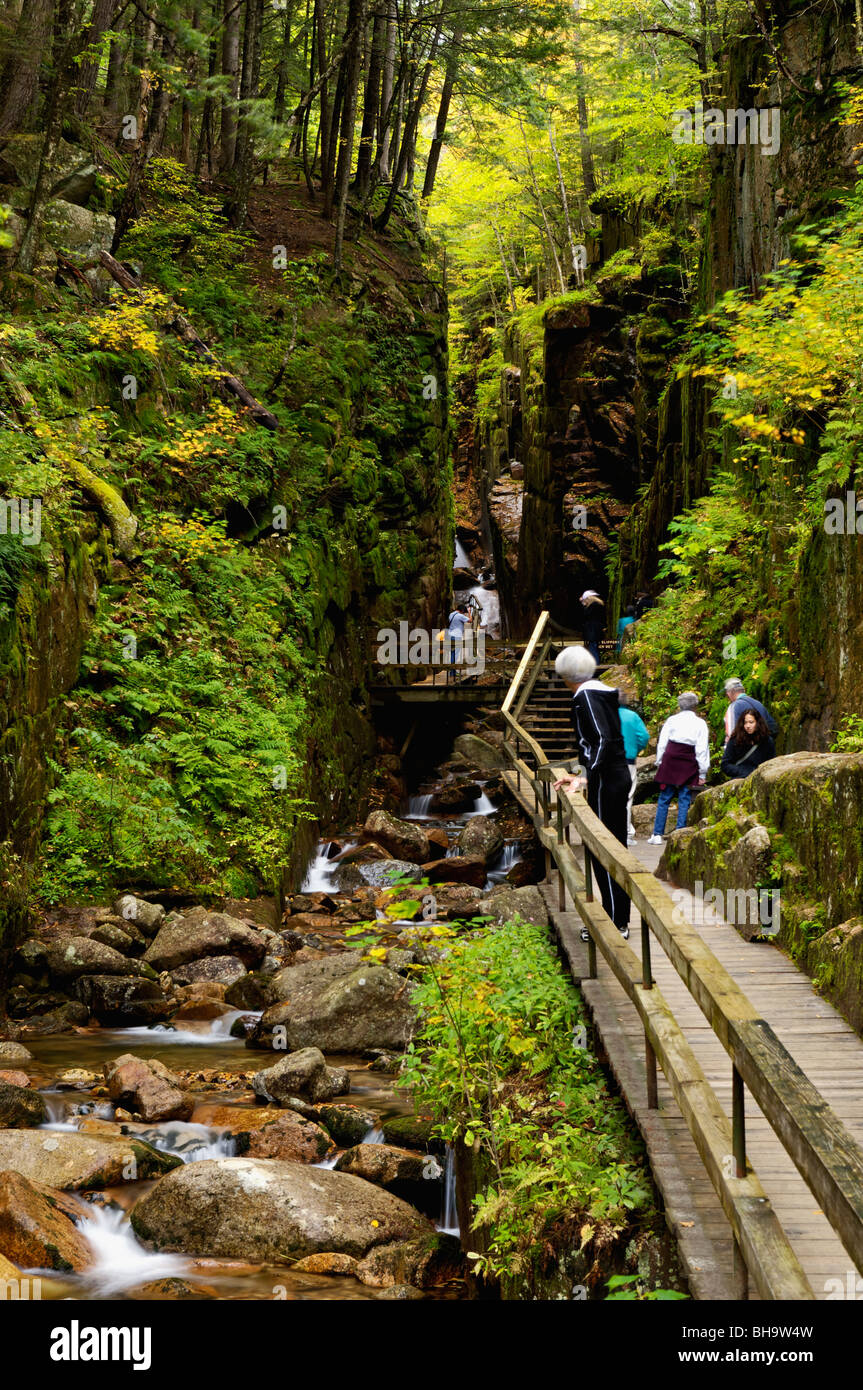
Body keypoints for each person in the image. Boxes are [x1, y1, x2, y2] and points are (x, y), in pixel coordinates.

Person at [552, 645, 632, 941]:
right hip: (613, 775)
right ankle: (619, 919)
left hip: (606, 779)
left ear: (566, 675)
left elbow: (601, 740)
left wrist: (584, 777)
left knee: (603, 849)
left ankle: (614, 924)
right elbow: (599, 742)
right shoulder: (599, 693)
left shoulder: (585, 696)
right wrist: (579, 773)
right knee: (613, 847)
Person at [647, 692, 710, 844]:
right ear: (695, 706)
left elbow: (662, 742)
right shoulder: (700, 723)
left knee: (664, 798)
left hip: (670, 758)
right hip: (689, 760)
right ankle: (680, 832)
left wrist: (659, 761)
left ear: (680, 705)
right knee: (684, 798)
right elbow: (702, 749)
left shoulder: (672, 720)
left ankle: (657, 834)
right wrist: (703, 771)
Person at [618, 692, 650, 844]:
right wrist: (636, 749)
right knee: (627, 796)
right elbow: (643, 736)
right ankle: (625, 833)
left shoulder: (605, 715)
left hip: (607, 761)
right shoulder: (632, 716)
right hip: (628, 760)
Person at [721, 708, 776, 780]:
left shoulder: (767, 741)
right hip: (739, 780)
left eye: (751, 722)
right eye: (745, 722)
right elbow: (725, 764)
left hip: (760, 780)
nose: (748, 726)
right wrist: (743, 771)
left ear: (757, 723)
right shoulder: (735, 740)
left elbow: (772, 764)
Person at [723, 678, 777, 745]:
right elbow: (773, 727)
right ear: (744, 690)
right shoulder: (758, 704)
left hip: (744, 751)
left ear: (729, 693)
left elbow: (731, 734)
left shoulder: (733, 707)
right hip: (763, 750)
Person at [580, 590, 605, 663]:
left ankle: (595, 665)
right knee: (594, 648)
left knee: (593, 648)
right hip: (596, 630)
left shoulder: (593, 606)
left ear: (588, 598)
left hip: (593, 631)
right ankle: (596, 663)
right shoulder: (598, 604)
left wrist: (583, 605)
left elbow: (586, 615)